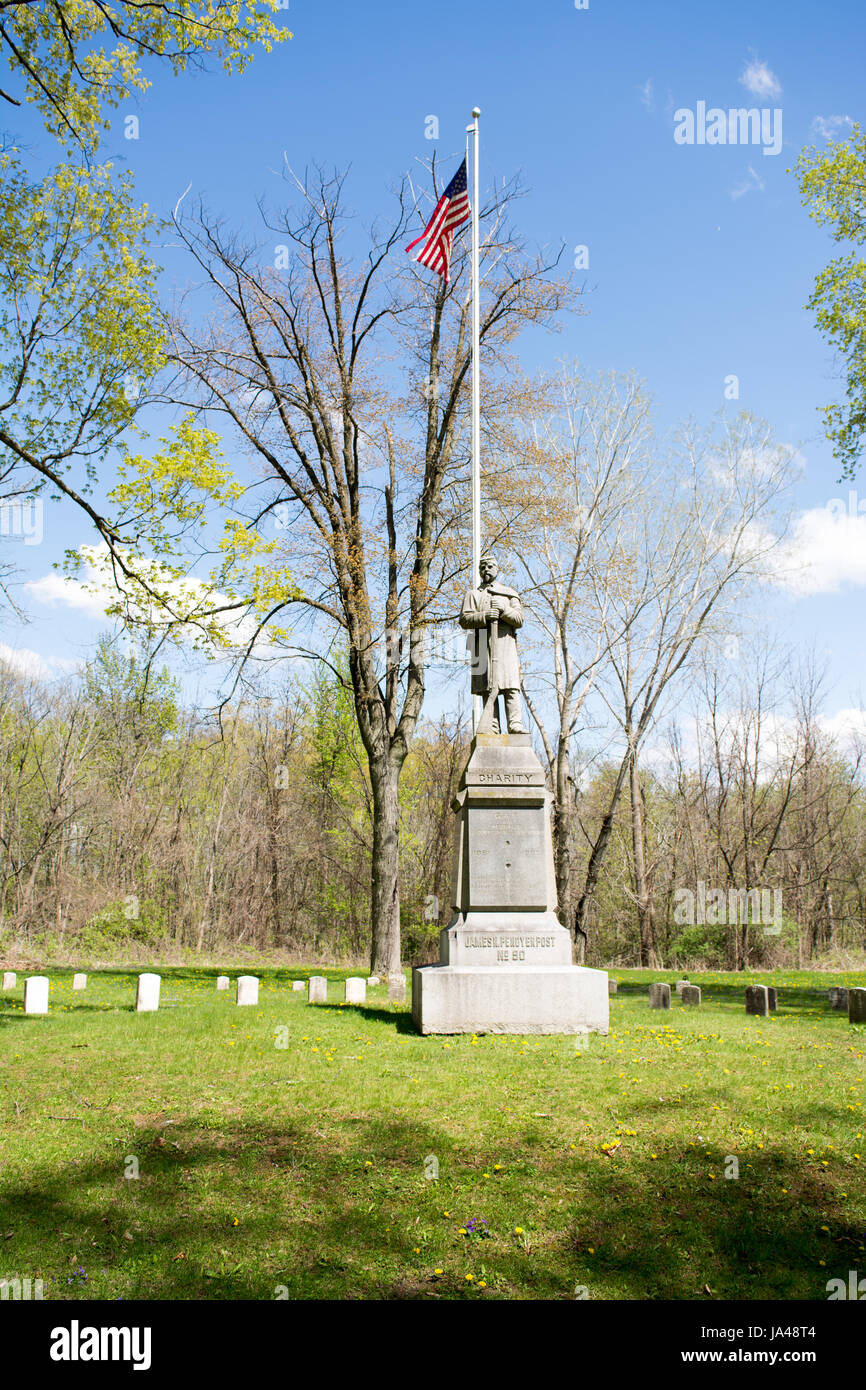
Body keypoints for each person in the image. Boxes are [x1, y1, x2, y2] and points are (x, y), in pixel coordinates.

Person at [459, 553, 525, 734]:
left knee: (511, 685)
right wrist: (484, 616)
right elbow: (464, 620)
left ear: (497, 569)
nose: (486, 569)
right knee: (488, 688)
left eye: (489, 566)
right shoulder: (473, 595)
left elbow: (519, 619)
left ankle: (515, 724)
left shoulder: (509, 593)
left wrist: (504, 610)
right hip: (481, 646)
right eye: (482, 567)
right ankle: (493, 727)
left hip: (505, 646)